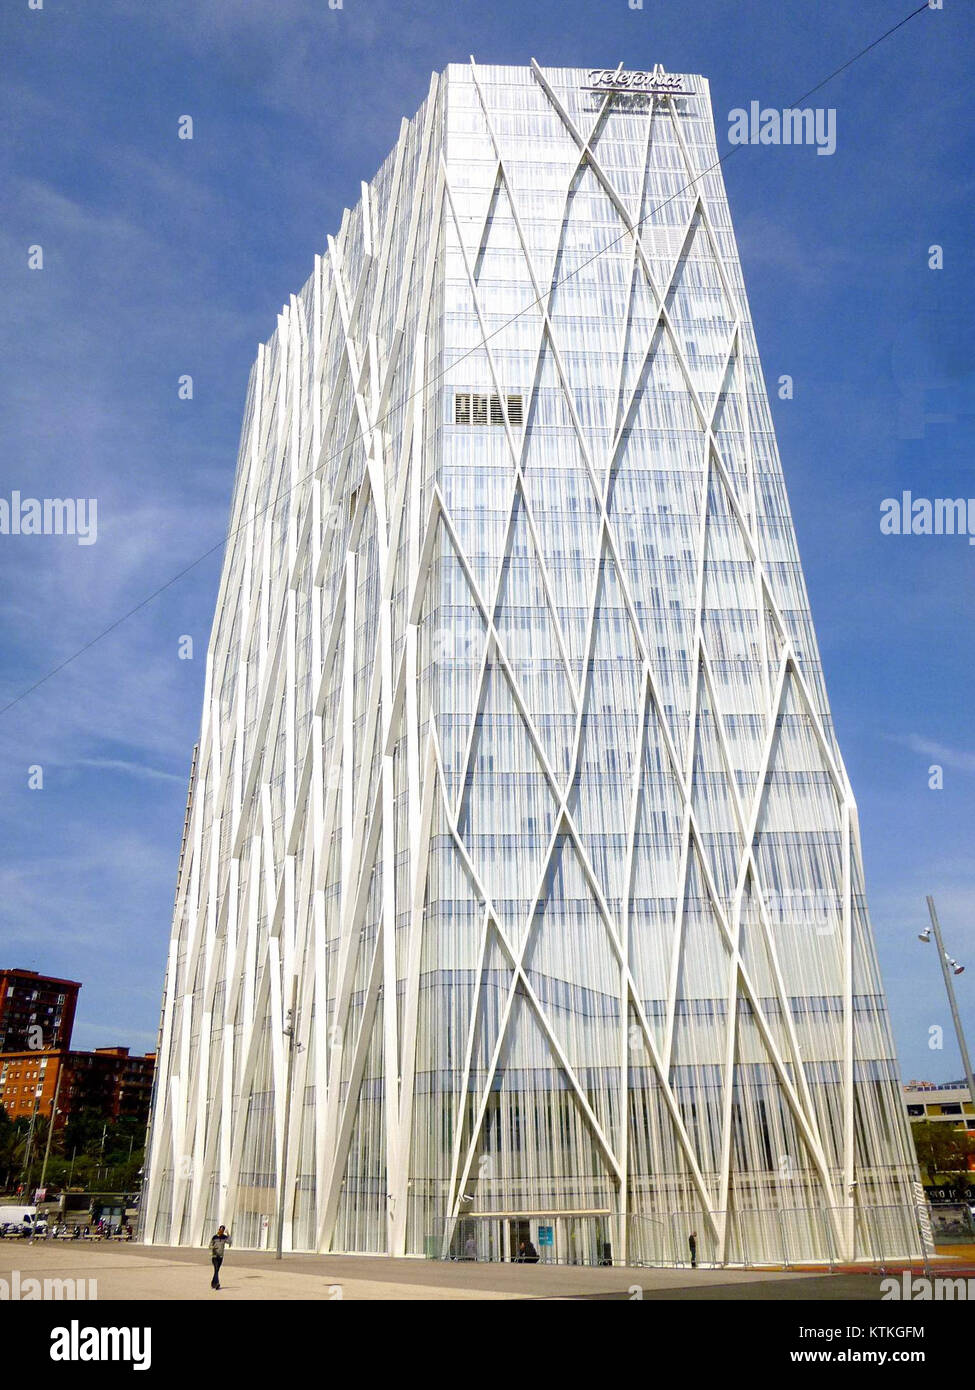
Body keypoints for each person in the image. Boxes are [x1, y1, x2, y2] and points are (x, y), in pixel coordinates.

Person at [210, 1225, 231, 1290]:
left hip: (221, 1257)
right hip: (214, 1256)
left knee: (217, 1271)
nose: (221, 1231)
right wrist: (214, 1247)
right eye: (220, 1230)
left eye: (222, 1230)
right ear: (218, 1229)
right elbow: (210, 1246)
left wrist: (228, 1234)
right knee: (216, 1269)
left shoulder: (224, 1237)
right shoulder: (214, 1237)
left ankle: (213, 1283)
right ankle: (217, 1284)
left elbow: (230, 1242)